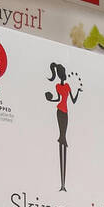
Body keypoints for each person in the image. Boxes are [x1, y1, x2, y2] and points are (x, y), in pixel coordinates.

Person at [45, 62, 82, 191]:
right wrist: (49, 99)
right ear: (61, 75)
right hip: (60, 111)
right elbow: (58, 100)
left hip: (65, 112)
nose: (65, 75)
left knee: (64, 135)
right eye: (64, 73)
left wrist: (77, 91)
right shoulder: (58, 86)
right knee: (62, 135)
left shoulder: (67, 86)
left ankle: (63, 184)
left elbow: (73, 100)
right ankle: (62, 184)